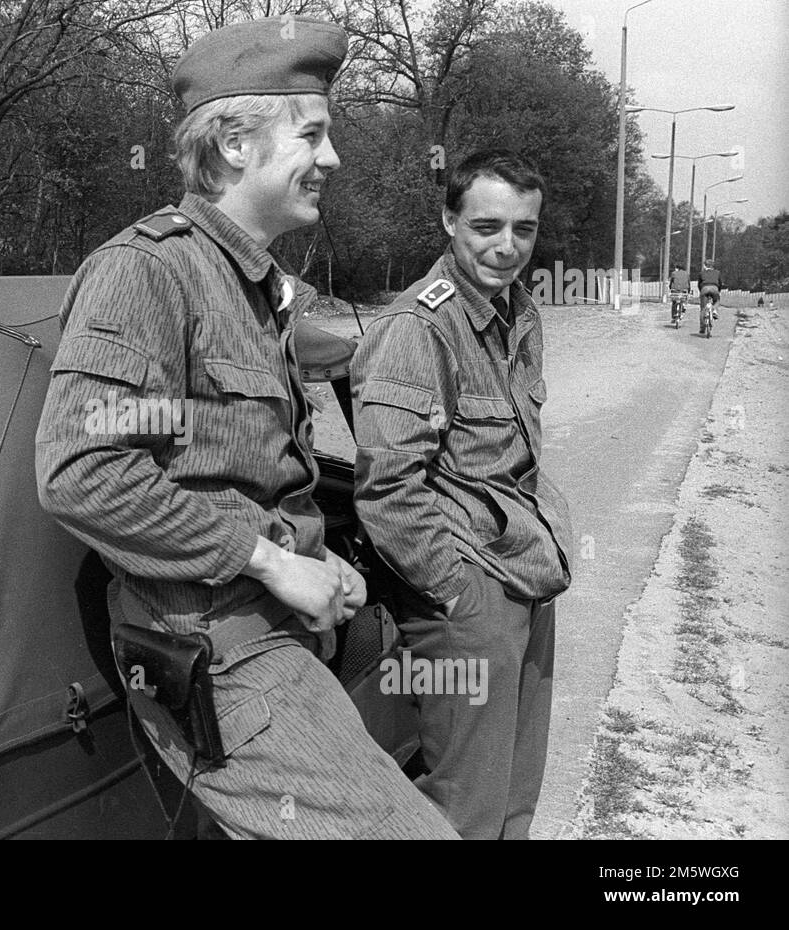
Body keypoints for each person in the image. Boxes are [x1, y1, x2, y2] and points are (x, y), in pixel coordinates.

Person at [36, 16, 457, 840]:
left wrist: (312, 557)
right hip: (217, 651)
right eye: (312, 134)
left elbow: (224, 464)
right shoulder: (149, 271)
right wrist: (269, 560)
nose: (331, 158)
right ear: (234, 143)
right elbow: (81, 471)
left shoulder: (253, 284)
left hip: (267, 633)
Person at [349, 149, 573, 839]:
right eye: (486, 227)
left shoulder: (519, 312)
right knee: (466, 810)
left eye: (524, 230)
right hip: (468, 595)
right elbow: (387, 489)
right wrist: (457, 596)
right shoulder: (418, 329)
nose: (507, 248)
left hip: (526, 577)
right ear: (450, 221)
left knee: (514, 797)